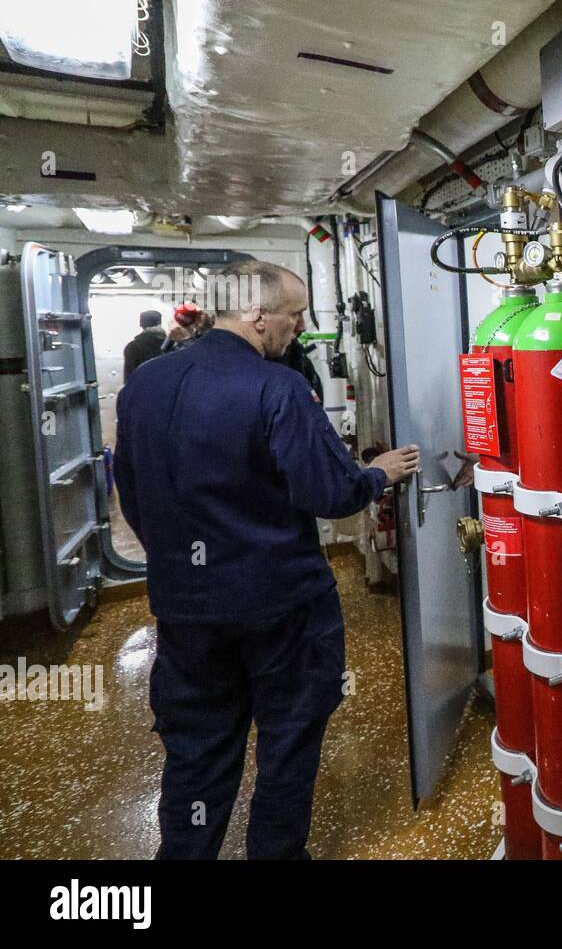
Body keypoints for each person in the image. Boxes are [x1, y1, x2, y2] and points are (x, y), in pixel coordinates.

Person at [114, 259, 420, 859]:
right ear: (257, 314)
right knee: (288, 739)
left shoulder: (146, 383)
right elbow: (327, 493)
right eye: (295, 316)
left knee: (198, 748)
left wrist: (180, 565)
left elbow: (132, 488)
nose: (298, 330)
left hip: (186, 610)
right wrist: (375, 476)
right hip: (280, 606)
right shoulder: (274, 386)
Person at [123, 310, 166, 381]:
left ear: (141, 324)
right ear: (160, 322)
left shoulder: (132, 347)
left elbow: (129, 379)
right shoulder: (172, 343)